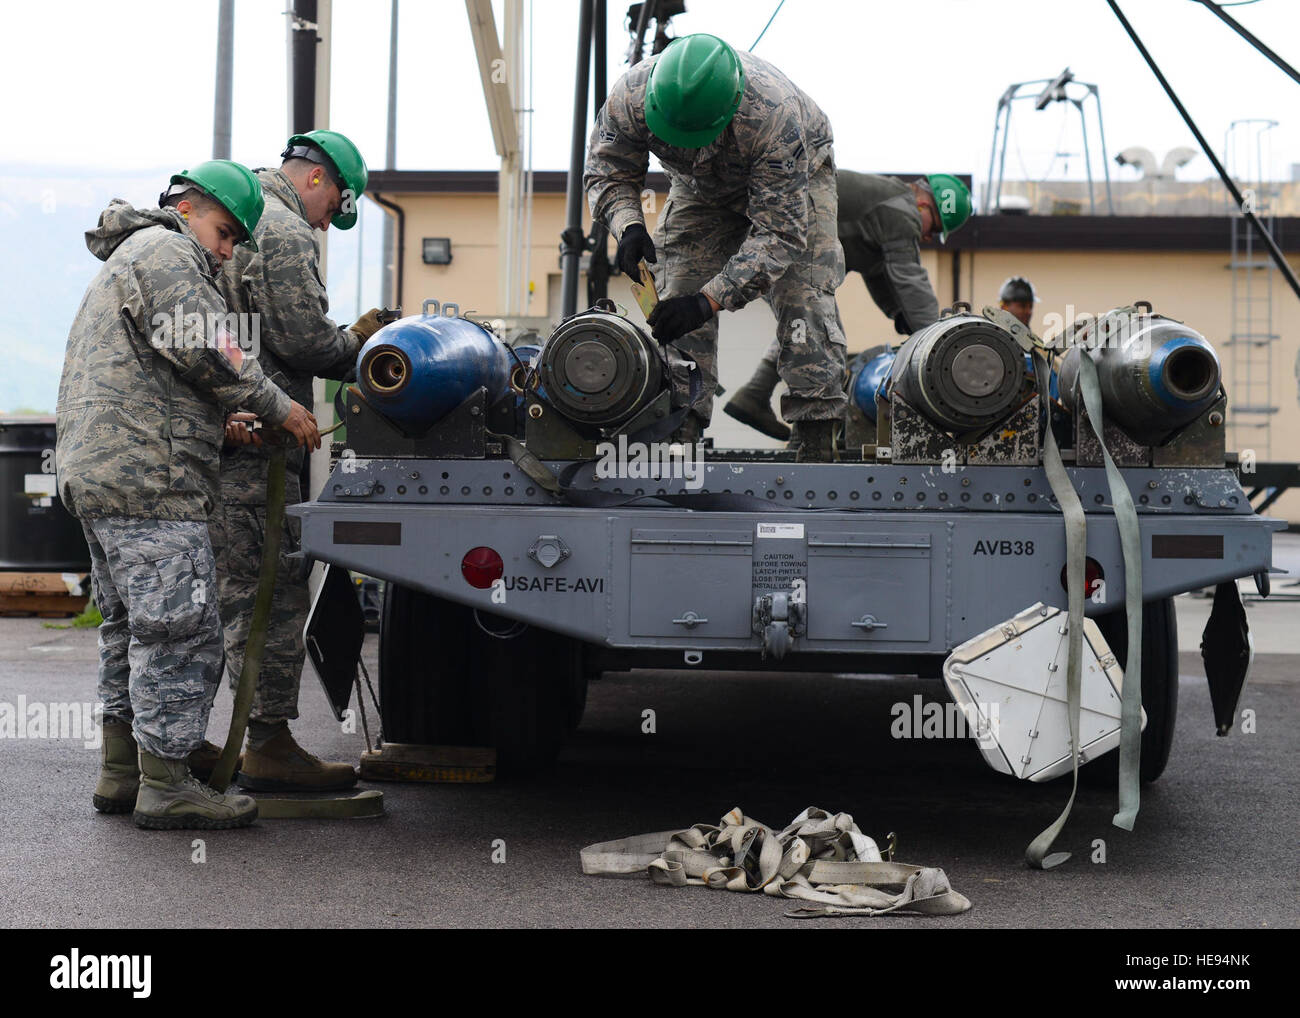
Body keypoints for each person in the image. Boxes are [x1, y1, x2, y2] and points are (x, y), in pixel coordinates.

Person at [56, 160, 319, 829]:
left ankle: (124, 771)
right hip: (151, 483)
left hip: (107, 471)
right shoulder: (170, 251)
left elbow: (151, 371)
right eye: (226, 232)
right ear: (191, 206)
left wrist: (217, 422)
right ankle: (168, 783)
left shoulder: (134, 254)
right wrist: (277, 405)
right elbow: (213, 347)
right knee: (183, 631)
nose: (228, 251)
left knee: (129, 628)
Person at [212, 129, 385, 792]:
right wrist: (362, 343)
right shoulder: (281, 229)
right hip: (262, 449)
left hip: (217, 435)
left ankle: (173, 747)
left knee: (218, 597)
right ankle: (269, 743)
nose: (328, 221)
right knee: (270, 589)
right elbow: (308, 343)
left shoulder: (234, 207)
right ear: (316, 178)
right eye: (333, 204)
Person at [585, 33, 847, 461]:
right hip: (699, 189)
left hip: (794, 180)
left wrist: (708, 301)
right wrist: (628, 224)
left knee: (804, 295)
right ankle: (679, 425)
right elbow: (608, 169)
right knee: (676, 291)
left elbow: (779, 234)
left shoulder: (776, 119)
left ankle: (816, 430)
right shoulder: (630, 96)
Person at [725, 171, 972, 440]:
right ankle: (807, 438)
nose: (927, 238)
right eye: (934, 229)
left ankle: (756, 394)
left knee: (805, 329)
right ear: (923, 205)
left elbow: (877, 271)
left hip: (771, 242)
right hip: (778, 241)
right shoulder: (901, 210)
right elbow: (911, 279)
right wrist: (936, 340)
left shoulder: (886, 209)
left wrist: (900, 314)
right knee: (826, 340)